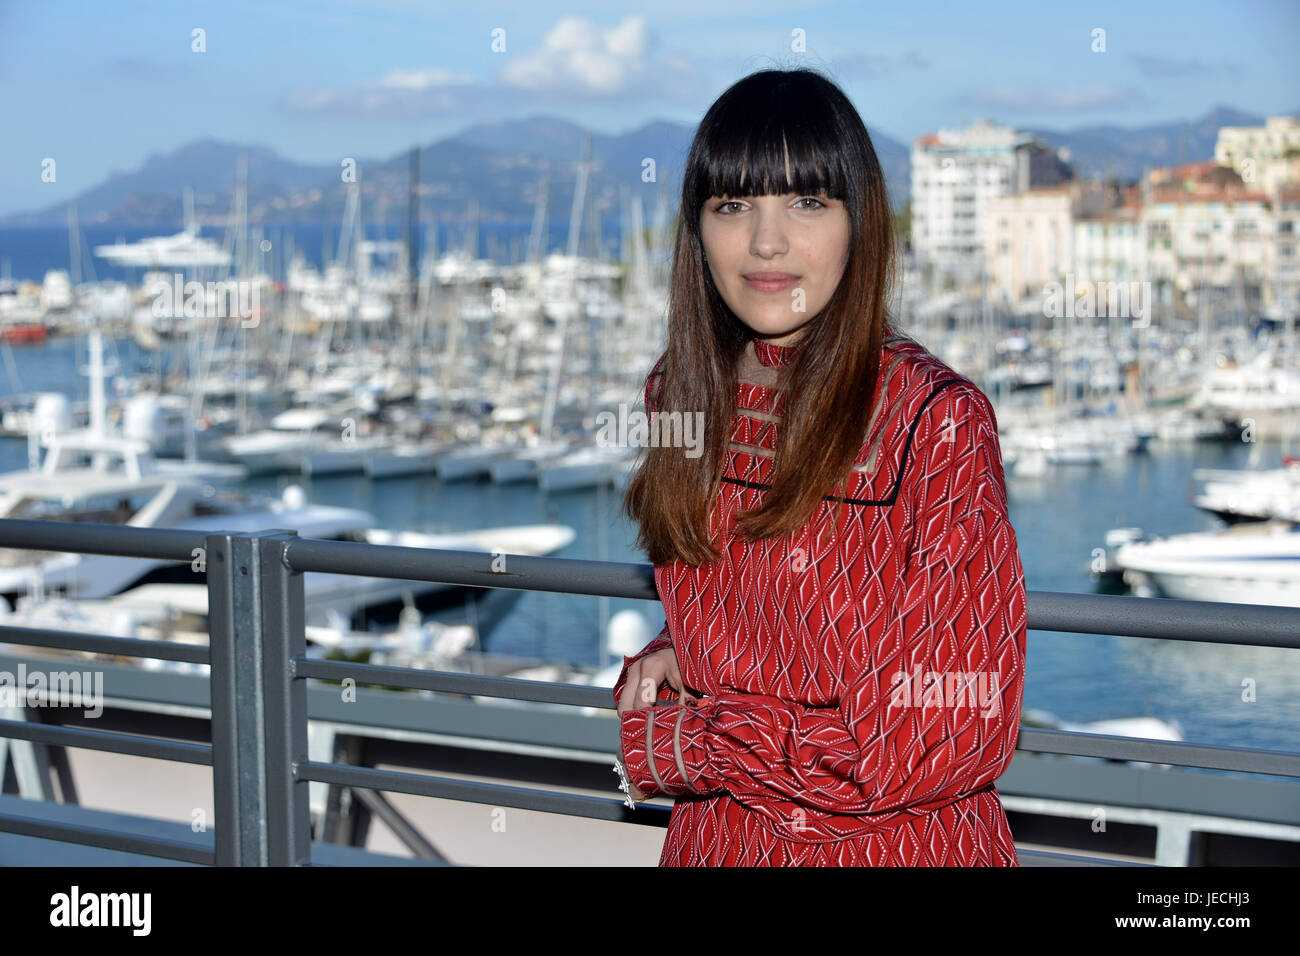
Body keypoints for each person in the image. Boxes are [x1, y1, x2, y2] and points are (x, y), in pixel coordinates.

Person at [612, 68, 1028, 866]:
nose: (767, 242)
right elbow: (749, 586)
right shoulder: (681, 394)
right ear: (697, 229)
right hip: (718, 845)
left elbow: (937, 733)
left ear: (858, 224)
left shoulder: (933, 420)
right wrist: (679, 644)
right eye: (732, 205)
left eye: (807, 202)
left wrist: (687, 739)